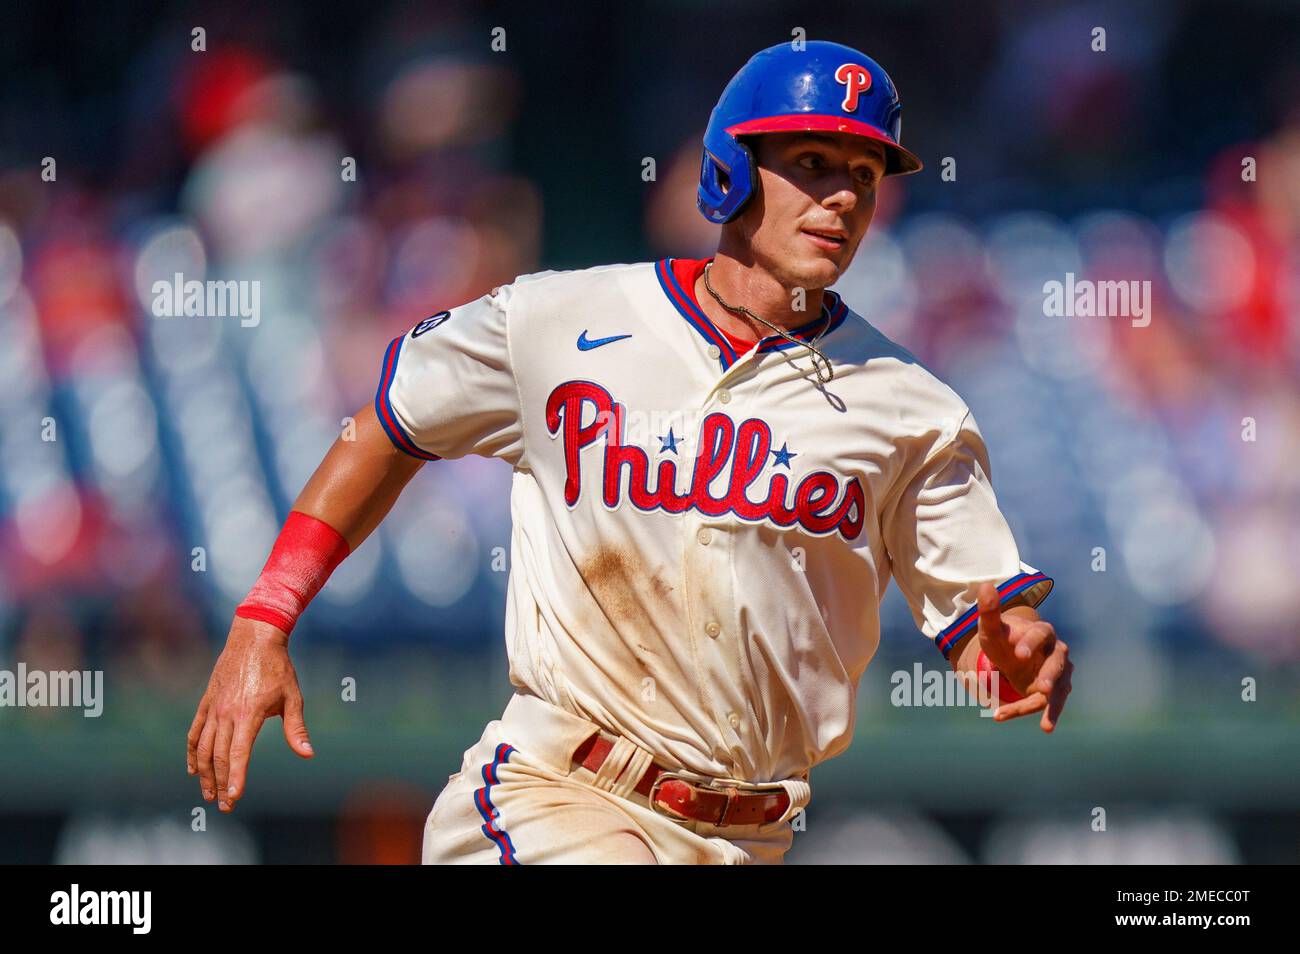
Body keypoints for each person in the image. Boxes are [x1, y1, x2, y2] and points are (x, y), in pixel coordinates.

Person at [187, 40, 1073, 865]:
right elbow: (387, 427)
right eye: (810, 166)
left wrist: (1013, 655)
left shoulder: (910, 406)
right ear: (730, 172)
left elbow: (980, 632)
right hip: (555, 794)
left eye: (864, 174)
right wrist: (266, 617)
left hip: (750, 834)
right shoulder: (558, 323)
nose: (841, 196)